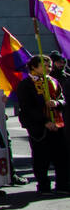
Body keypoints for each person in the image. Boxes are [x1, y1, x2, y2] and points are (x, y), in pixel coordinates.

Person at [15, 55, 69, 194]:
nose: (48, 68)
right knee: (41, 157)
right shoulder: (26, 84)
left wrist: (56, 103)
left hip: (57, 124)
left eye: (49, 66)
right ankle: (43, 185)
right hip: (38, 126)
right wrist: (45, 121)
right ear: (34, 66)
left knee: (61, 156)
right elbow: (27, 107)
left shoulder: (54, 81)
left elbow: (62, 100)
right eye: (44, 66)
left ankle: (62, 184)